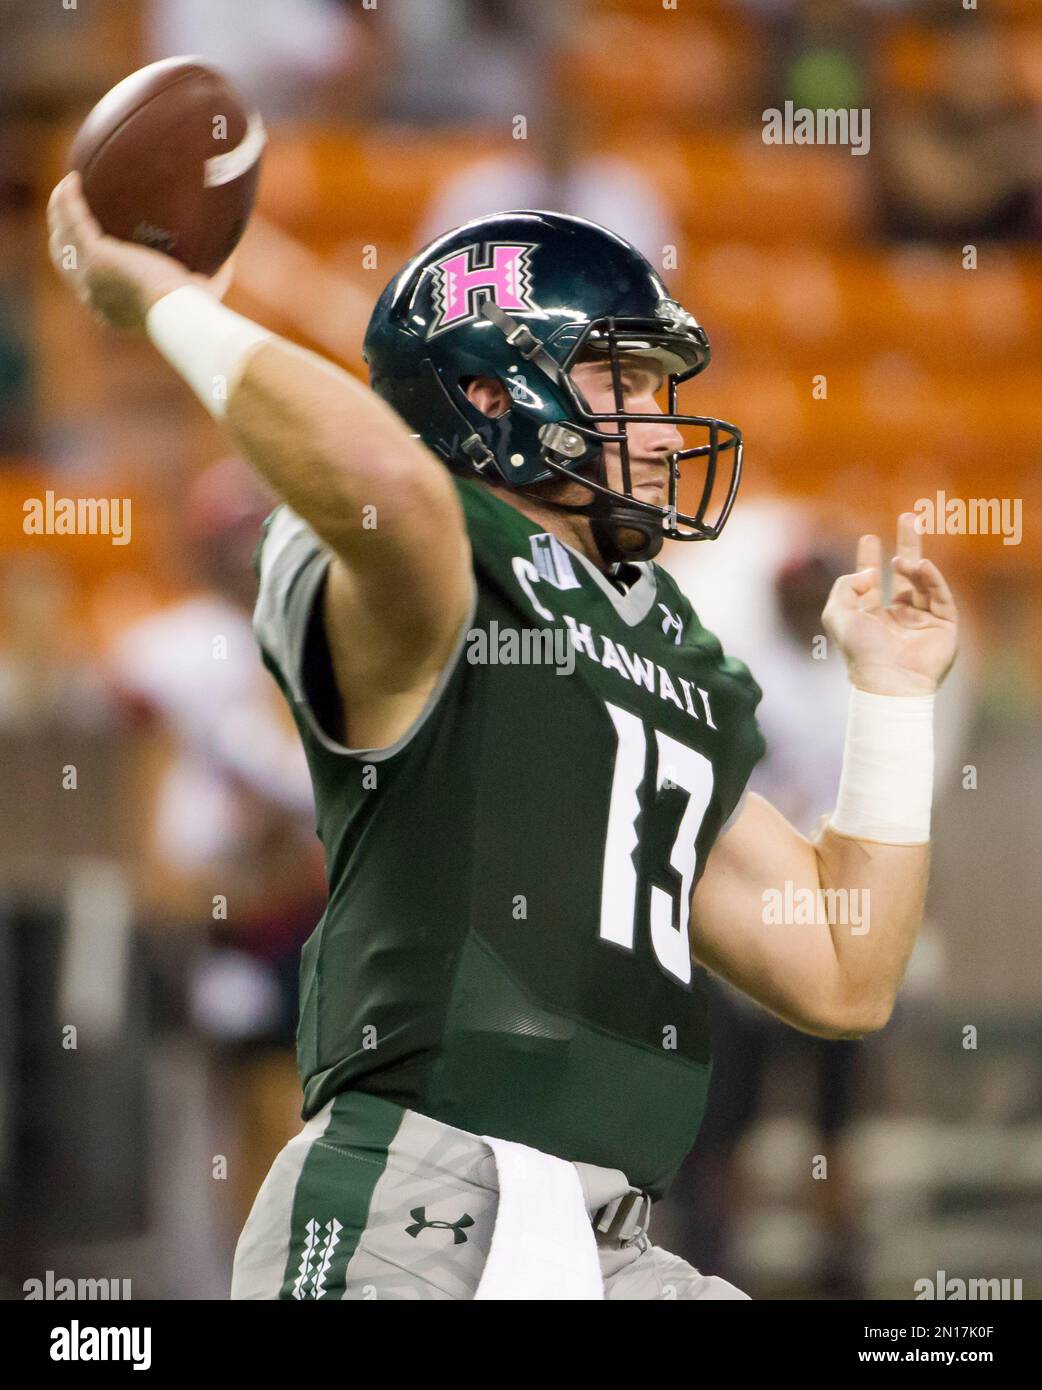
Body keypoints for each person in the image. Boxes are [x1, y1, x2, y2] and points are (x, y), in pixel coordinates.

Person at [47, 177, 959, 1300]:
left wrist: (894, 699)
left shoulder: (666, 647)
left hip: (613, 1233)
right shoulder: (422, 561)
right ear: (490, 394)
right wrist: (169, 303)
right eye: (622, 378)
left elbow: (841, 966)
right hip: (423, 1200)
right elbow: (386, 482)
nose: (662, 424)